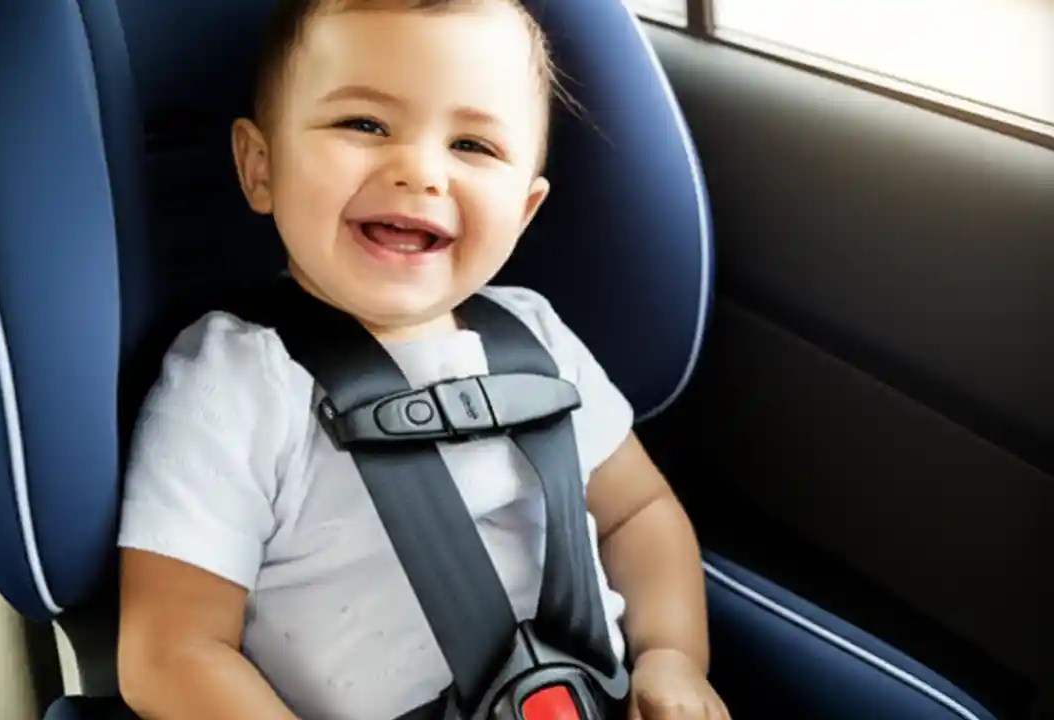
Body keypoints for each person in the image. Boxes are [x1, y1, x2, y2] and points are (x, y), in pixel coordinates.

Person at [116, 1, 729, 718]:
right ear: (261, 167)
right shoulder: (236, 380)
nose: (419, 171)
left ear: (524, 210)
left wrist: (672, 656)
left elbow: (638, 512)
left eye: (472, 145)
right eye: (364, 124)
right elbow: (171, 651)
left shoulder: (537, 339)